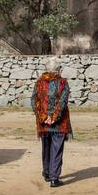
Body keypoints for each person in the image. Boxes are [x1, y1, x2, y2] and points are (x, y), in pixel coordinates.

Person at [30, 57, 72, 187]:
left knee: (46, 148)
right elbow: (62, 102)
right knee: (56, 149)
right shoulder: (63, 83)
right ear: (57, 70)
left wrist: (43, 117)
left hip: (43, 124)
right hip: (59, 123)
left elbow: (34, 101)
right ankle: (54, 178)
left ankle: (47, 173)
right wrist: (53, 117)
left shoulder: (39, 82)